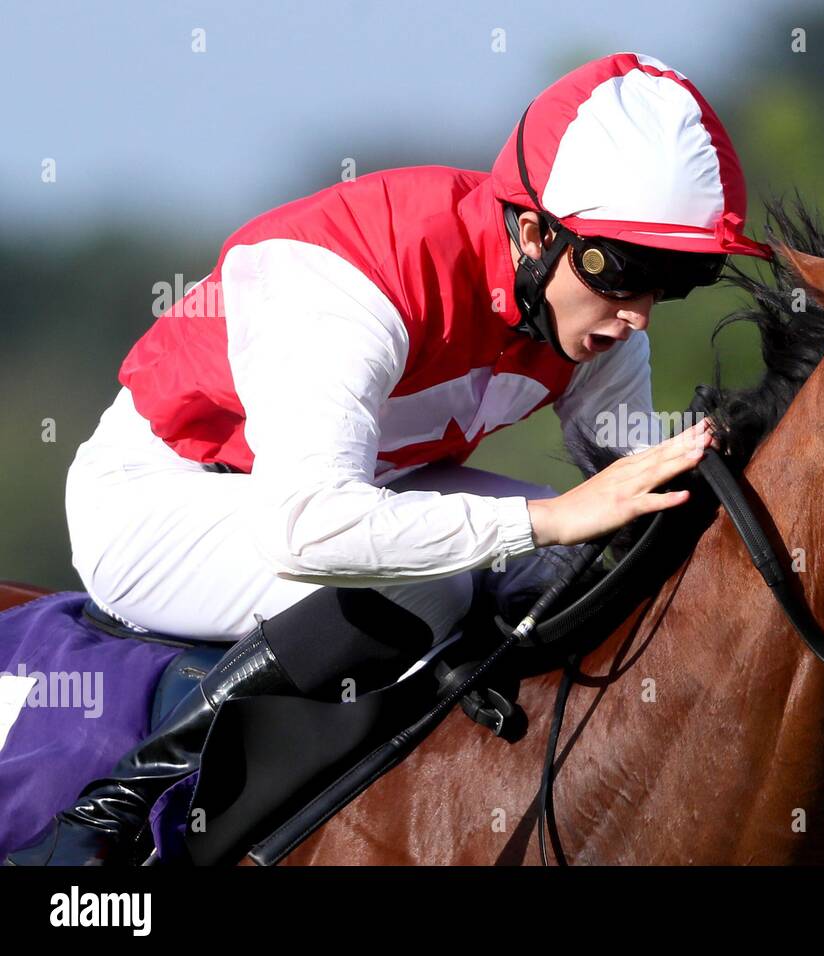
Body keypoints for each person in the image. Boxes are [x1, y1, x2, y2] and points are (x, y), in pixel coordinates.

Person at [5, 51, 772, 866]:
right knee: (448, 572)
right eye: (623, 271)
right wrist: (547, 516)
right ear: (535, 231)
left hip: (346, 487)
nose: (639, 315)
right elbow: (309, 529)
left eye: (676, 279)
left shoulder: (582, 311)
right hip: (163, 505)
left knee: (568, 565)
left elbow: (634, 484)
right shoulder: (354, 287)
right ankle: (111, 812)